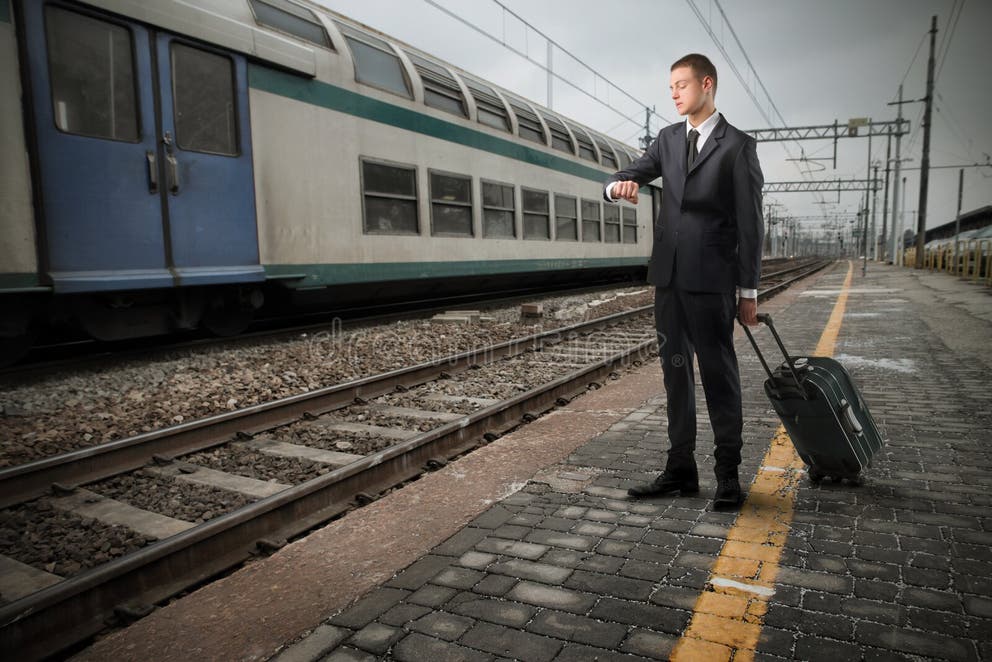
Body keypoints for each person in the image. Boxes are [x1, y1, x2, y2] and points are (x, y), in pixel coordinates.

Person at [604, 53, 764, 509]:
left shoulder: (738, 146)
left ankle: (728, 473)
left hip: (713, 281)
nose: (673, 93)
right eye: (670, 86)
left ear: (706, 84)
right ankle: (681, 470)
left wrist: (748, 291)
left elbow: (751, 227)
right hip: (669, 278)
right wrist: (617, 186)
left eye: (680, 84)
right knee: (675, 374)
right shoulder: (668, 139)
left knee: (718, 375)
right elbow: (629, 173)